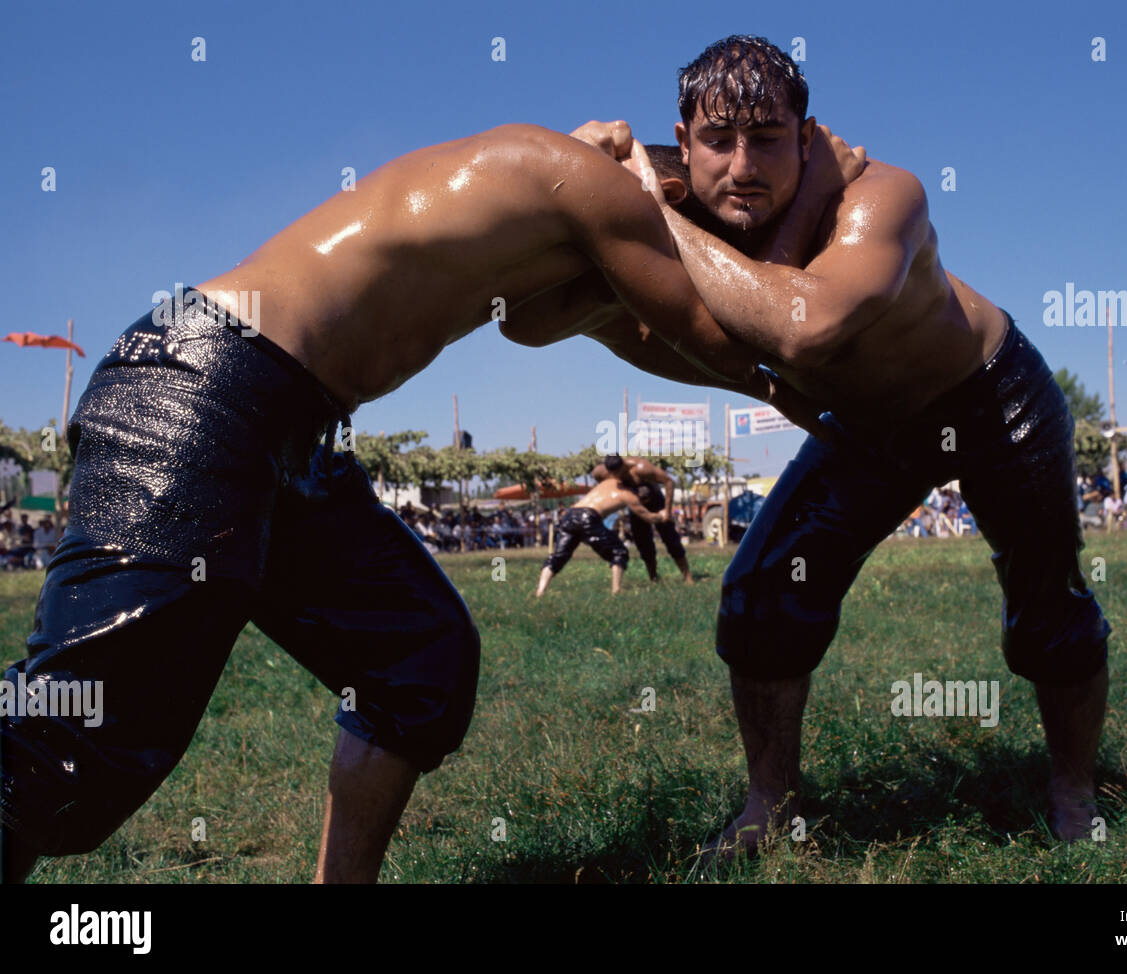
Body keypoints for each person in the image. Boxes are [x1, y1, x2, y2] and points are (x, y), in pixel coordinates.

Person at [0, 122, 829, 884]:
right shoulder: (594, 180)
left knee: (416, 660)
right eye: (718, 241)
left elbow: (621, 332)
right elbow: (725, 323)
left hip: (289, 423)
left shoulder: (562, 220)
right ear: (676, 193)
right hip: (204, 388)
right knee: (73, 747)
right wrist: (826, 395)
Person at [576, 35, 1112, 848]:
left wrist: (643, 211)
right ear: (681, 146)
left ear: (809, 136)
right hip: (868, 424)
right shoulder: (683, 204)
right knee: (759, 596)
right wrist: (582, 168)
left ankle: (1074, 793)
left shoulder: (879, 195)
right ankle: (773, 804)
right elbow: (550, 289)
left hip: (990, 391)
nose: (742, 164)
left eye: (767, 138)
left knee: (1048, 609)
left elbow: (807, 325)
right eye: (719, 141)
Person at [534, 478, 667, 596]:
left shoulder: (610, 481)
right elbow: (649, 518)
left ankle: (540, 592)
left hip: (570, 515)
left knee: (558, 556)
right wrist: (663, 514)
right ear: (643, 498)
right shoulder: (631, 497)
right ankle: (616, 591)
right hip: (587, 517)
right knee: (619, 552)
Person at [592, 454, 692, 582]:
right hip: (637, 506)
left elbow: (669, 482)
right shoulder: (602, 472)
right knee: (643, 544)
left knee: (671, 540)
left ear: (623, 465)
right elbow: (597, 476)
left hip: (656, 502)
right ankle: (653, 577)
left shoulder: (641, 468)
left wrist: (667, 511)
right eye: (613, 475)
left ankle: (688, 577)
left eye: (619, 473)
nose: (617, 477)